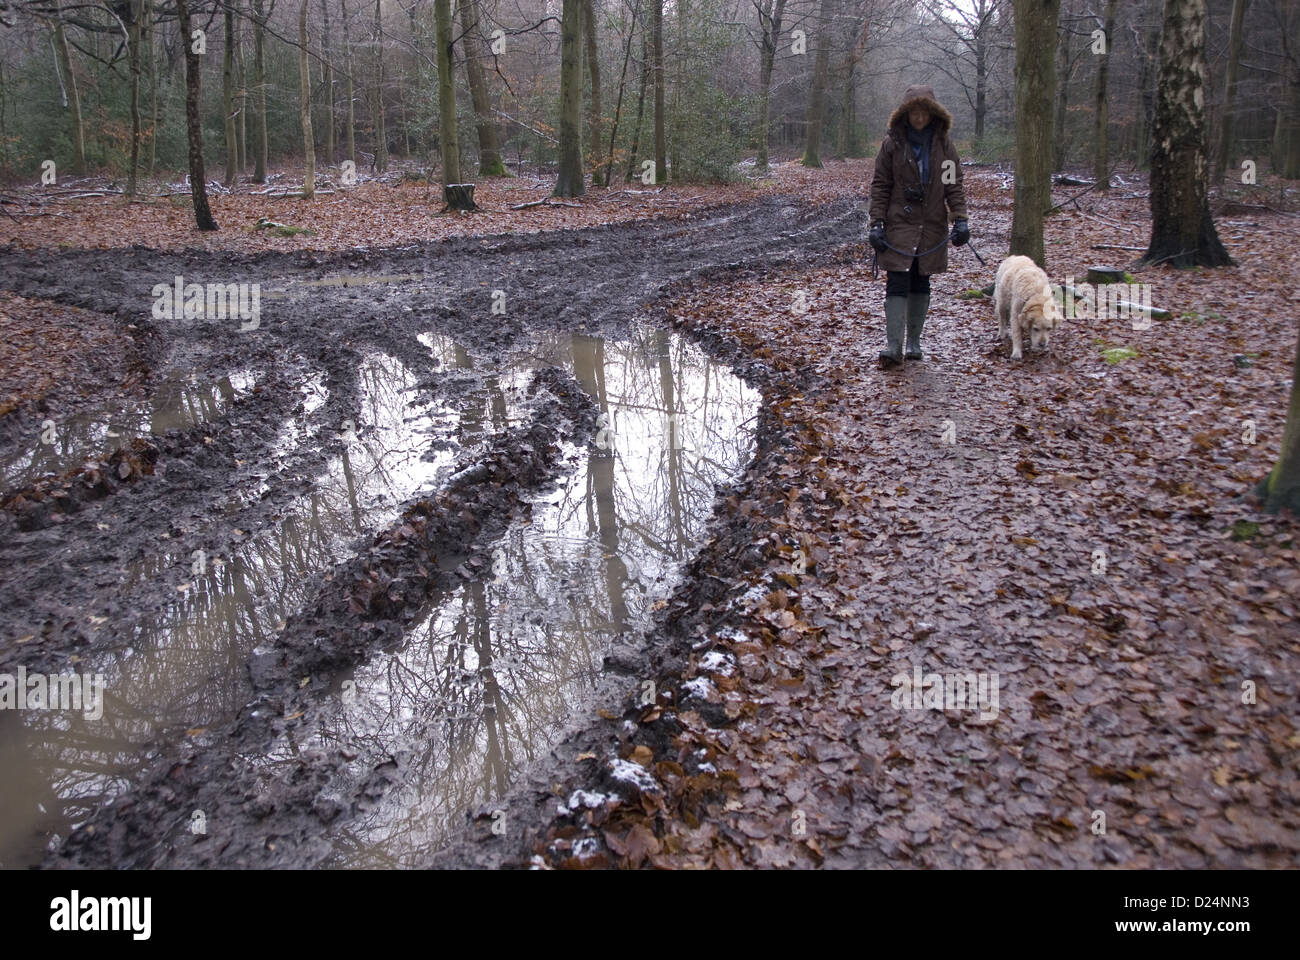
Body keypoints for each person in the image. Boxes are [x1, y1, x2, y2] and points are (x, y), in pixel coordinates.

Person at [868, 84, 970, 366]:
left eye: (924, 112)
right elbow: (881, 185)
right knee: (897, 278)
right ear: (906, 113)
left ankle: (914, 342)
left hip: (931, 222)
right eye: (914, 112)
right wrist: (876, 222)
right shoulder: (892, 144)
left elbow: (953, 185)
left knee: (921, 277)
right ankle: (894, 346)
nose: (919, 118)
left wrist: (960, 218)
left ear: (932, 114)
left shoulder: (944, 146)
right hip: (899, 221)